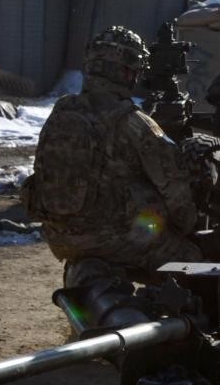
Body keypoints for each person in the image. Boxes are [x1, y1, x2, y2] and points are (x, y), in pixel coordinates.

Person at [24, 26, 202, 328]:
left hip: (62, 238)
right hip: (114, 239)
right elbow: (174, 188)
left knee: (93, 248)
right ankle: (183, 329)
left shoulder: (62, 111)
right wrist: (185, 227)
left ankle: (86, 291)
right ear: (127, 71)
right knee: (196, 259)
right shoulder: (131, 122)